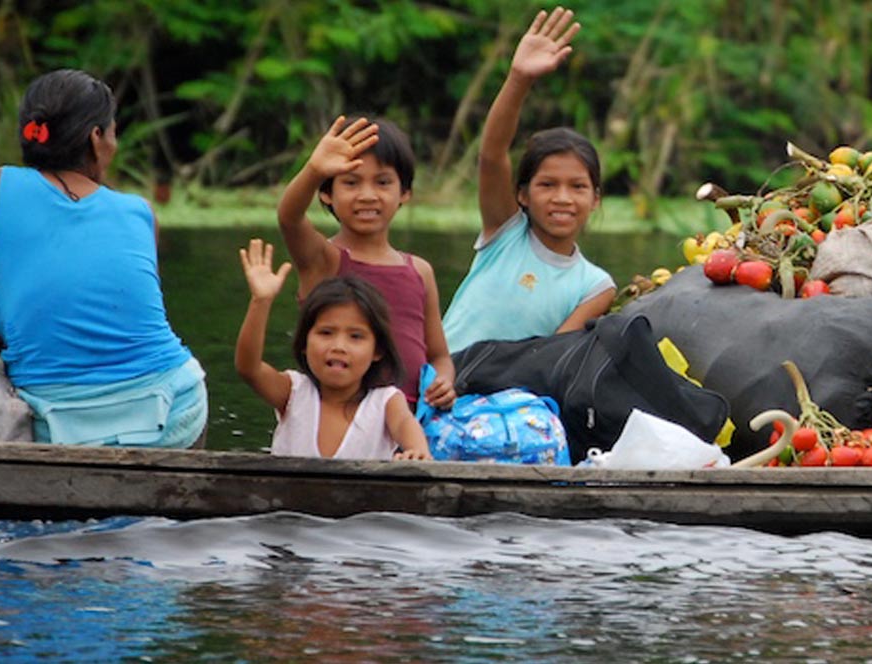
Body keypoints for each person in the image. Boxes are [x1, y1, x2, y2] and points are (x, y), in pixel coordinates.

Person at [0, 69, 207, 447]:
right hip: (172, 411)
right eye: (113, 132)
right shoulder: (139, 211)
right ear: (96, 137)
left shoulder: (0, 185)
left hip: (62, 422)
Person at [441, 7, 615, 350]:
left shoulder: (596, 285)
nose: (563, 198)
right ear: (523, 195)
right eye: (547, 185)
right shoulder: (505, 235)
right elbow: (491, 156)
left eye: (577, 187)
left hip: (516, 397)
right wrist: (519, 79)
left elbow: (554, 358)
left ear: (595, 199)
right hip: (443, 379)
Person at [275, 115, 455, 409]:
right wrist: (313, 170)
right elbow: (289, 217)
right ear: (327, 194)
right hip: (340, 418)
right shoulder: (323, 260)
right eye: (351, 182)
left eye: (383, 182)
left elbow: (439, 356)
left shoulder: (420, 271)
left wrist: (444, 381)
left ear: (404, 193)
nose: (368, 195)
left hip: (410, 421)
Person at [234, 239, 432, 461]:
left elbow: (406, 424)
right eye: (326, 333)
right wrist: (260, 301)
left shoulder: (385, 402)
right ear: (304, 343)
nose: (339, 347)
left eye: (355, 337)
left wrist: (417, 451)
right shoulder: (293, 393)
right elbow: (248, 368)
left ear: (378, 351)